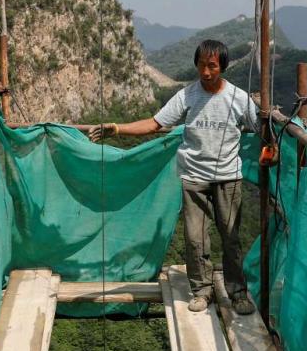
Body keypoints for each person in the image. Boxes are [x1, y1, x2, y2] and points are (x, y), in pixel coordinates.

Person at [90, 39, 260, 315]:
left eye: (212, 66)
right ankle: (202, 291)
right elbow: (155, 123)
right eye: (202, 65)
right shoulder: (187, 95)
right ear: (196, 64)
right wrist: (117, 128)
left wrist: (271, 133)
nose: (206, 72)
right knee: (195, 239)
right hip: (194, 177)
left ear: (223, 67)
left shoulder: (238, 98)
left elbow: (262, 126)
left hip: (228, 177)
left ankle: (237, 292)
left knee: (230, 237)